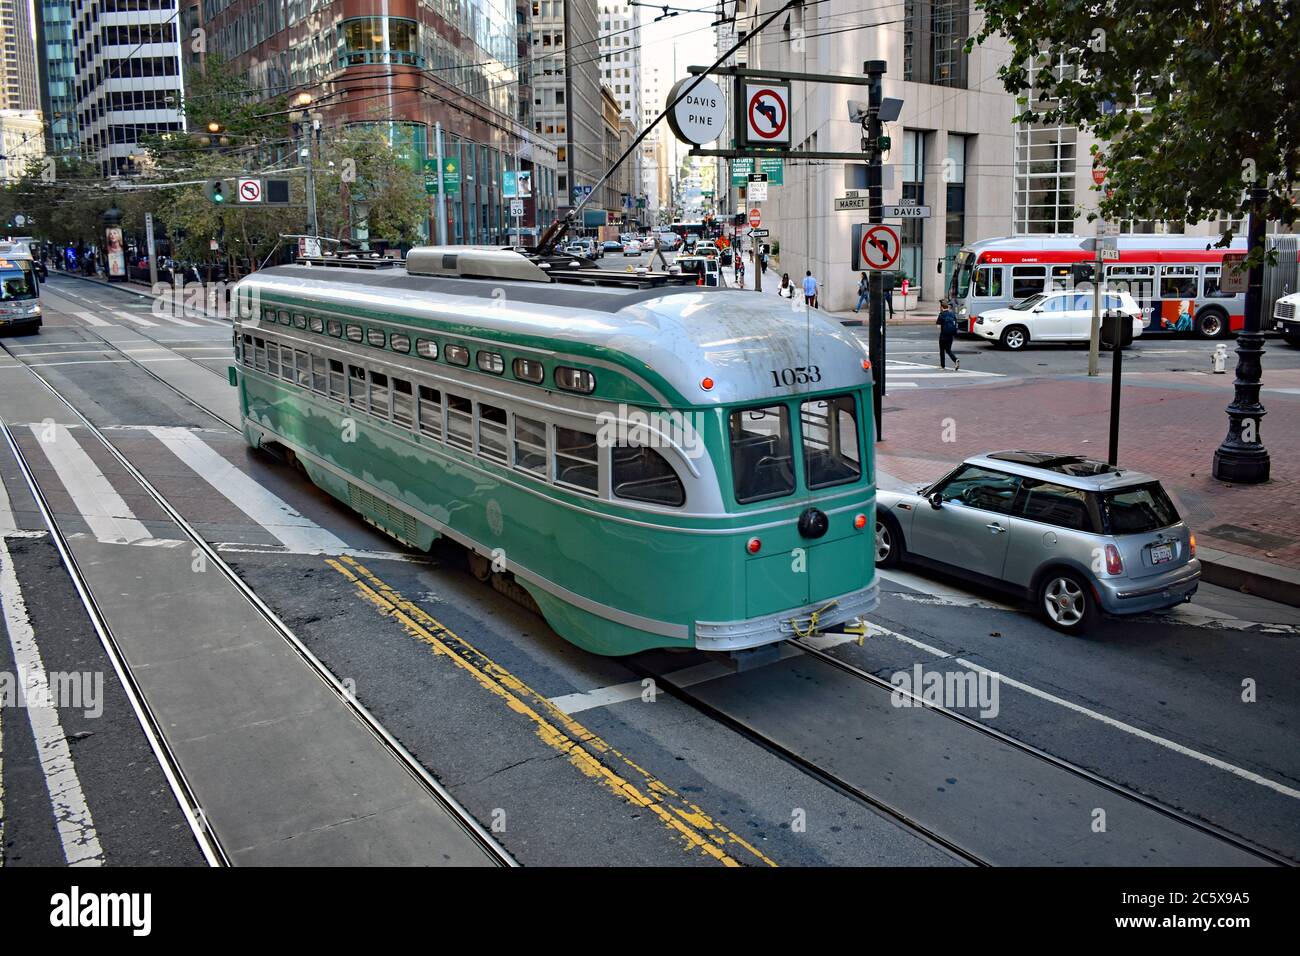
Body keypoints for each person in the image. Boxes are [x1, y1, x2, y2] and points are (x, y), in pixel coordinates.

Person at [937, 298, 960, 371]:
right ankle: (955, 359)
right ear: (948, 307)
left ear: (941, 307)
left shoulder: (941, 315)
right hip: (951, 335)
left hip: (943, 336)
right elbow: (955, 324)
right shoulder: (952, 314)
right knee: (948, 350)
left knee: (942, 351)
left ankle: (942, 366)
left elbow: (938, 326)